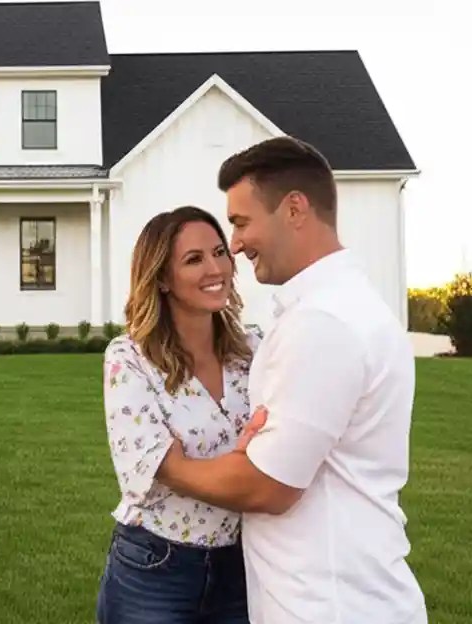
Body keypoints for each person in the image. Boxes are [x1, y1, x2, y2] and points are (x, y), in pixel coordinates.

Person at [155, 135, 427, 623]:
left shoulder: (323, 323)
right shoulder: (343, 306)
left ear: (295, 209)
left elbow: (268, 487)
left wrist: (166, 465)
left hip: (332, 606)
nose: (234, 245)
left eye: (241, 223)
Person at [96, 205, 266, 624]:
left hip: (243, 565)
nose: (215, 267)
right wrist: (247, 467)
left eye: (219, 252)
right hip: (155, 567)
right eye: (194, 259)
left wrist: (202, 467)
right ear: (163, 279)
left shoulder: (256, 351)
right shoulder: (129, 358)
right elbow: (160, 468)